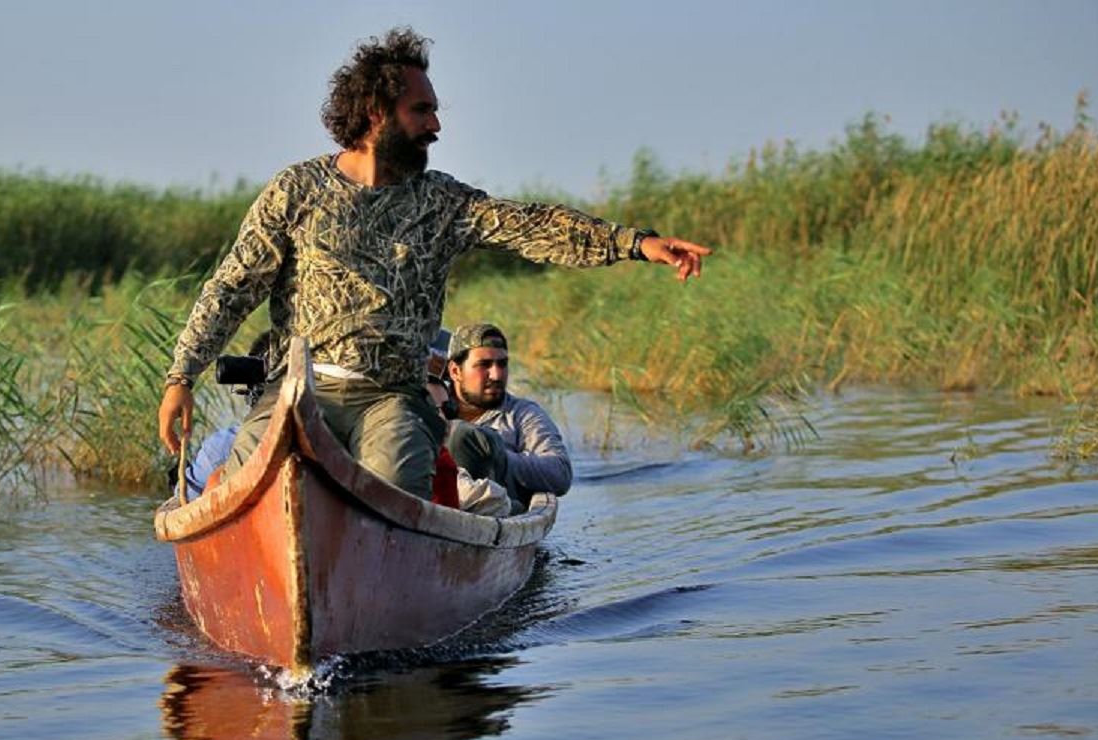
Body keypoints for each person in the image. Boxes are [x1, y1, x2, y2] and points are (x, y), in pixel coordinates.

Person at [157, 27, 710, 499]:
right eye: (422, 110)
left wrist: (637, 243)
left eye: (435, 111)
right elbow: (231, 288)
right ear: (376, 112)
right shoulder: (296, 191)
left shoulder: (442, 203)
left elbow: (531, 225)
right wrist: (181, 376)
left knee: (394, 493)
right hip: (300, 392)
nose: (437, 126)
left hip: (392, 399)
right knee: (252, 484)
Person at [443, 323, 570, 511]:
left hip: (500, 512)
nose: (496, 375)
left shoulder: (522, 414)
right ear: (455, 371)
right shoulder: (432, 407)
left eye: (502, 364)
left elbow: (560, 472)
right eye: (484, 365)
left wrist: (497, 458)